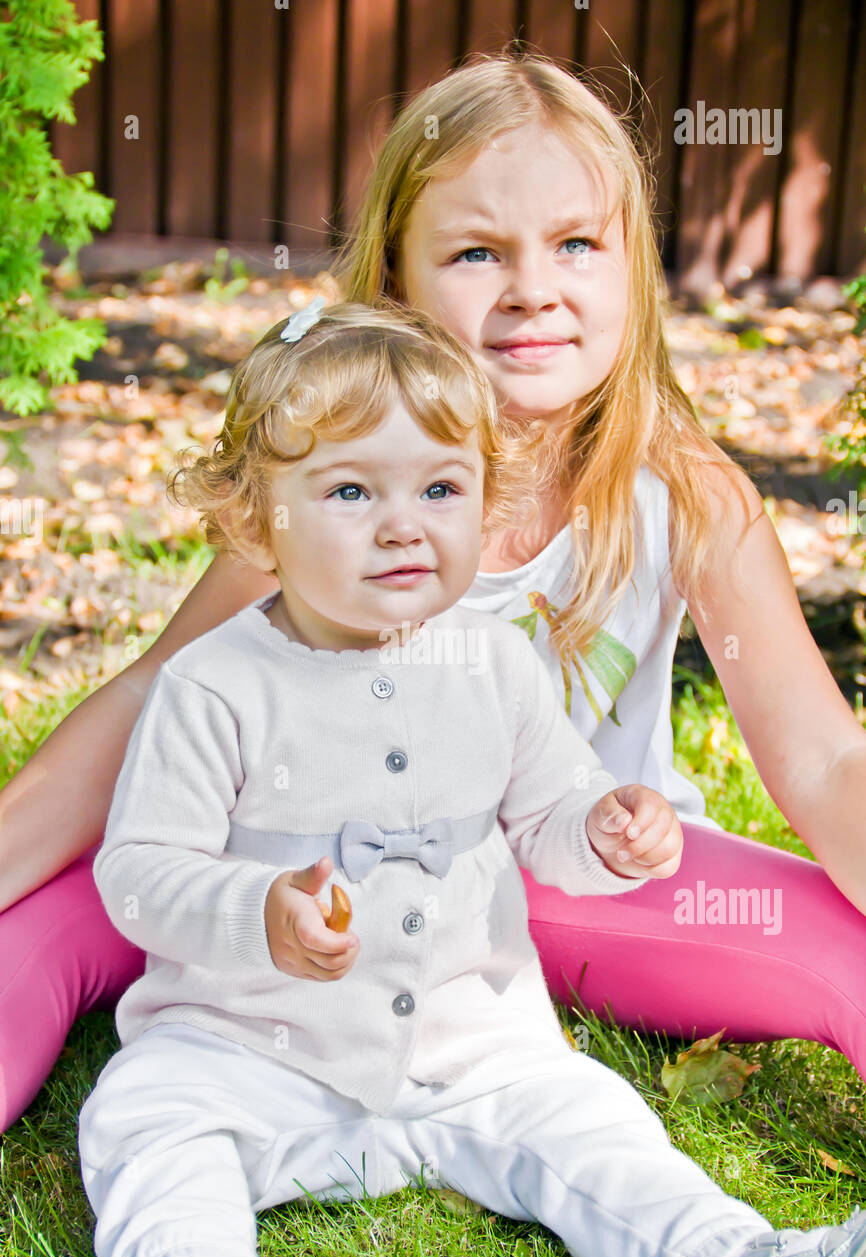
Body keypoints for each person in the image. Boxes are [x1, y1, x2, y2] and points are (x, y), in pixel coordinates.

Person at [3, 48, 866, 1135]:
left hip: (579, 872)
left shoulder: (684, 494)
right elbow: (152, 700)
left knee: (847, 950)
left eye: (574, 245)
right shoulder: (332, 479)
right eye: (474, 252)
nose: (533, 290)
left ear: (630, 268)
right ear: (397, 280)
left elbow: (825, 757)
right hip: (303, 882)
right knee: (50, 915)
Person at [67, 300, 866, 1257]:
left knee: (597, 1124)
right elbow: (139, 873)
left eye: (439, 488)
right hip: (248, 1043)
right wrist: (253, 912)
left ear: (481, 503)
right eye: (351, 490)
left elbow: (549, 805)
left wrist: (604, 830)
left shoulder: (490, 662)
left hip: (472, 1046)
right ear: (253, 515)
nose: (403, 524)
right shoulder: (214, 684)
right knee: (145, 1110)